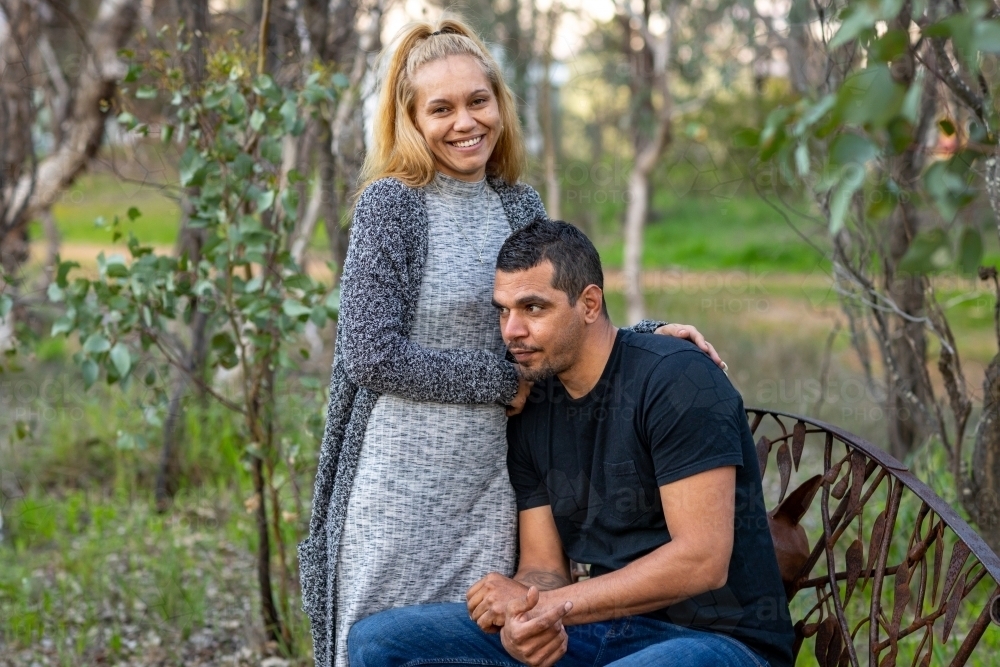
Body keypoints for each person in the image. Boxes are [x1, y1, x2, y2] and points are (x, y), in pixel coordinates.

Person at [297, 18, 725, 667]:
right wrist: (507, 382)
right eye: (440, 108)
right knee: (385, 640)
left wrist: (641, 334)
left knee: (487, 641)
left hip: (490, 480)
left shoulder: (517, 203)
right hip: (400, 483)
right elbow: (370, 352)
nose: (465, 121)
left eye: (478, 100)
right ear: (410, 118)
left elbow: (554, 308)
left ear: (500, 101)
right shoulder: (393, 203)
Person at [347, 220, 795, 667]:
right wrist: (524, 617)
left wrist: (553, 608)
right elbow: (545, 568)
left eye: (533, 308)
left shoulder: (676, 379)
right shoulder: (532, 404)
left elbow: (702, 560)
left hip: (721, 642)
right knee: (379, 641)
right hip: (602, 629)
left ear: (589, 303)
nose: (511, 331)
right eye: (503, 310)